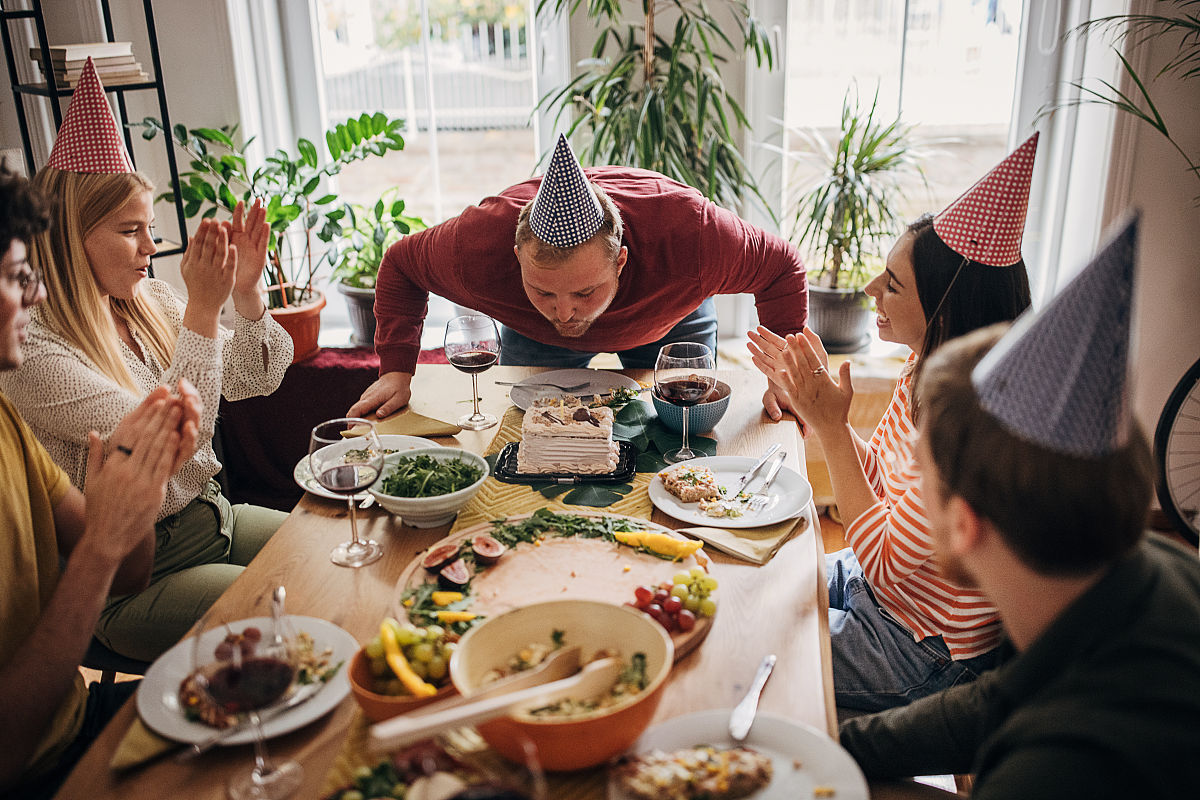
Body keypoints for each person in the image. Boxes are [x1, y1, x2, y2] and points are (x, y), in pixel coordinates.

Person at [840, 216, 1200, 797]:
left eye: (919, 475)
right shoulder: (1149, 563)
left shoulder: (1052, 770)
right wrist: (844, 749)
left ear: (962, 522)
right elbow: (997, 699)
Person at [0, 59, 294, 662]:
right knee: (292, 606)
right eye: (130, 230)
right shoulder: (34, 350)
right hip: (137, 581)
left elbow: (249, 378)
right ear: (67, 236)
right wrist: (205, 315)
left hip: (214, 519)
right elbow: (172, 438)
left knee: (325, 552)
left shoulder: (146, 296)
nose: (151, 246)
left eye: (151, 228)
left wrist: (244, 296)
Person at [749, 135, 1039, 711]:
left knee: (748, 652)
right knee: (750, 590)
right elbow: (883, 475)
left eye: (894, 284)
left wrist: (832, 427)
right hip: (879, 591)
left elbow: (882, 552)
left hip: (920, 649)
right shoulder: (924, 364)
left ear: (946, 307)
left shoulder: (973, 420)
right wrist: (816, 411)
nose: (870, 290)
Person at [348, 133, 808, 419]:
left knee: (685, 432)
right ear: (515, 257)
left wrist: (782, 378)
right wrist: (396, 369)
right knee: (533, 437)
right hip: (535, 338)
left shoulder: (694, 237)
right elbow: (401, 265)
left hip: (669, 321)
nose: (565, 312)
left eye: (585, 291)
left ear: (622, 262)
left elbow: (783, 269)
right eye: (543, 289)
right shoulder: (475, 247)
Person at [0, 163, 202, 798]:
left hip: (76, 720)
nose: (31, 294)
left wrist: (126, 504)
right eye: (12, 276)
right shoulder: (33, 370)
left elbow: (129, 571)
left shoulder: (5, 422)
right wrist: (105, 540)